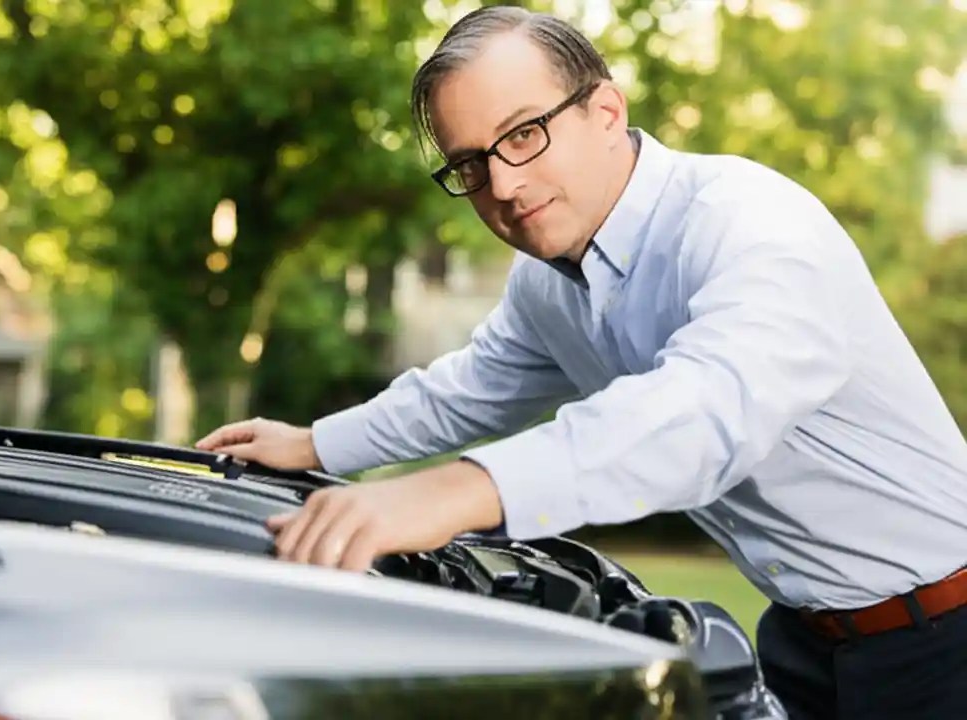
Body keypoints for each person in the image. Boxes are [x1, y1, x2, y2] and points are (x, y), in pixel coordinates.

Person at [195, 5, 967, 718]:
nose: (502, 183)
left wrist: (458, 494)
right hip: (801, 643)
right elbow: (466, 390)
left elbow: (699, 414)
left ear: (606, 111)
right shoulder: (548, 283)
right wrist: (312, 445)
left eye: (523, 133)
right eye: (469, 164)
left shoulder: (750, 224)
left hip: (947, 636)